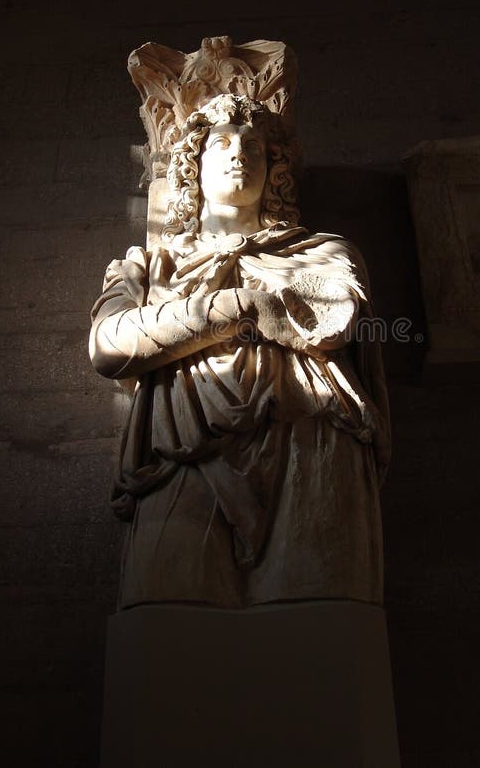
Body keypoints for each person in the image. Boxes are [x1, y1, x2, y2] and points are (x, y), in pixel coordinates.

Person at [90, 93, 390, 609]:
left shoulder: (324, 251)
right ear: (192, 166)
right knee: (168, 613)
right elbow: (109, 344)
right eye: (222, 144)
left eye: (255, 147)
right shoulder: (145, 265)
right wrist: (240, 308)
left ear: (275, 170)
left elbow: (335, 320)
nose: (240, 155)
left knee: (320, 615)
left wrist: (187, 323)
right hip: (182, 444)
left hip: (306, 431)